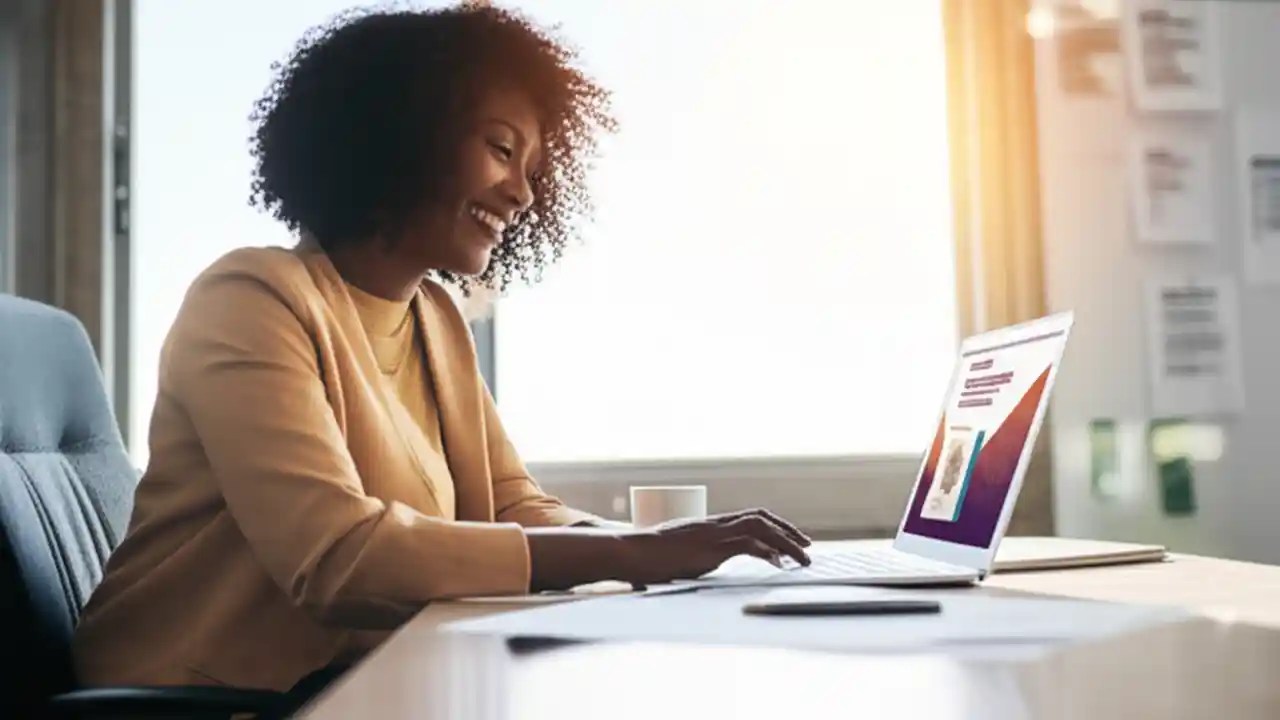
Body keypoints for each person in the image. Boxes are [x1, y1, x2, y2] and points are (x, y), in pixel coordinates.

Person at [72, 3, 810, 702]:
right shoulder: (250, 298)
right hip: (191, 695)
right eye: (500, 149)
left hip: (360, 683)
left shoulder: (436, 319)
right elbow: (335, 559)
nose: (521, 192)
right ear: (406, 134)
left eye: (530, 167)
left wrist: (655, 550)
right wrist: (629, 557)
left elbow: (513, 504)